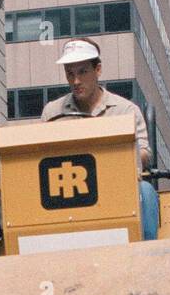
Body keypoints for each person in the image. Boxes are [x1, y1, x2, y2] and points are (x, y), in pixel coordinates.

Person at [42, 38, 159, 241]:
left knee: (146, 192)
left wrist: (116, 157)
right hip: (64, 195)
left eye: (82, 72)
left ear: (98, 70)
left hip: (116, 190)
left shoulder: (125, 110)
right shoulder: (52, 112)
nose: (76, 81)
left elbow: (144, 152)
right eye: (70, 73)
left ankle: (147, 253)